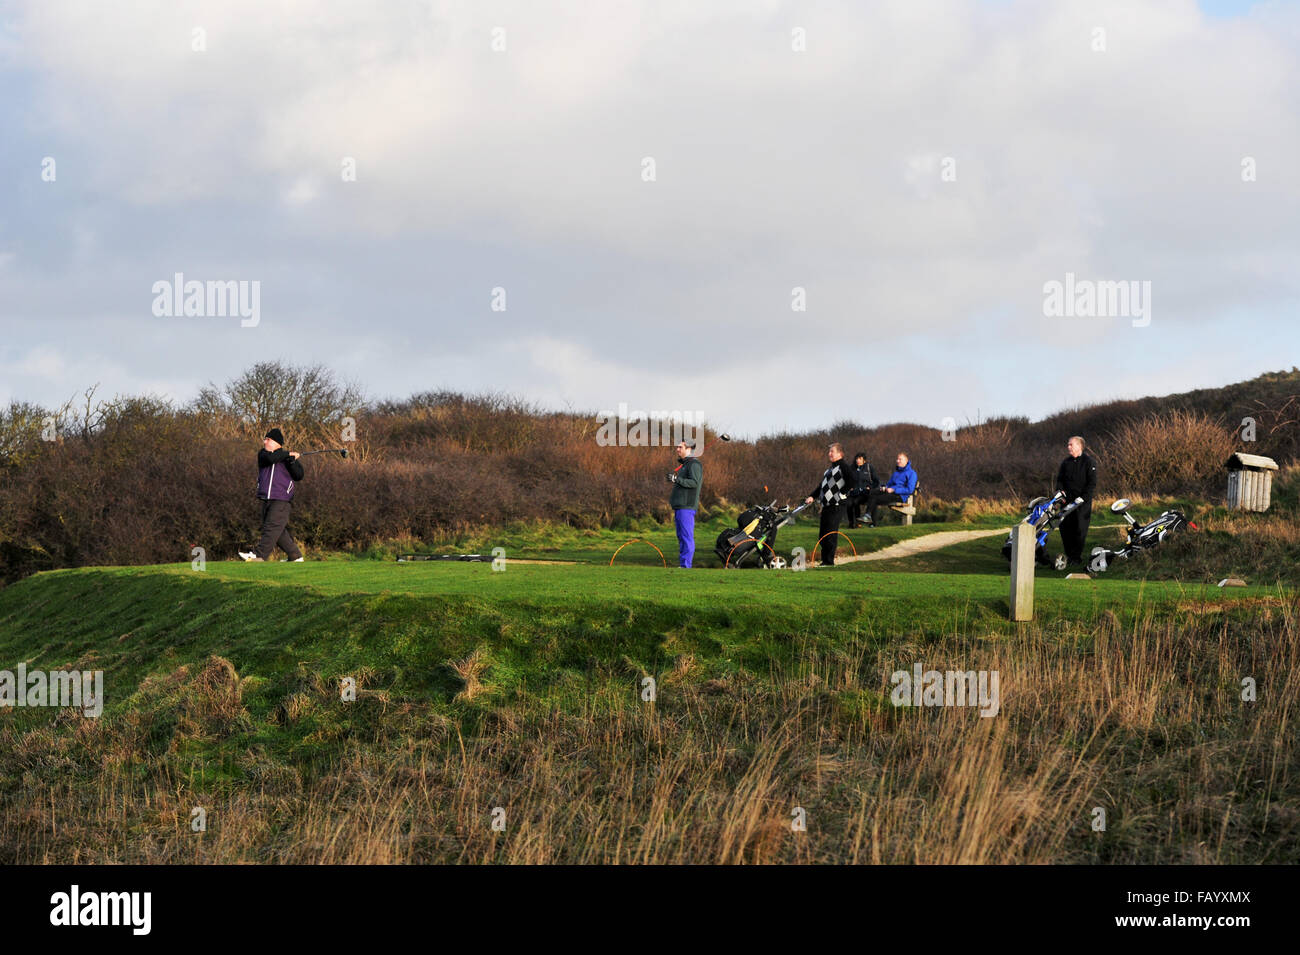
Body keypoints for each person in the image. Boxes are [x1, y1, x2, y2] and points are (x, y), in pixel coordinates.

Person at [239, 428, 305, 562]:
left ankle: (259, 555)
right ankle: (295, 556)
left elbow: (299, 475)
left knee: (272, 527)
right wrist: (288, 454)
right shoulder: (263, 455)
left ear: (276, 442)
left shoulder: (287, 459)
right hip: (266, 498)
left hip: (281, 499)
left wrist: (292, 460)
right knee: (277, 530)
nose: (264, 441)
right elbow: (272, 458)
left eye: (268, 439)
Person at [804, 443, 856, 566]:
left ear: (840, 453)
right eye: (829, 452)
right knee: (823, 534)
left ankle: (829, 561)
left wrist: (843, 492)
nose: (830, 454)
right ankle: (824, 561)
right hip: (827, 506)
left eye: (832, 451)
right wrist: (812, 496)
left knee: (830, 534)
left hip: (837, 505)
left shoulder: (843, 466)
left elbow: (852, 480)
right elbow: (821, 487)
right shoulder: (829, 470)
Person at [1055, 435, 1097, 567]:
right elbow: (1060, 480)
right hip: (1066, 502)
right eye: (1068, 445)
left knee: (1079, 529)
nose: (1068, 447)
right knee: (1065, 529)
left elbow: (1091, 484)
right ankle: (1069, 555)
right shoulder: (1065, 462)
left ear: (1079, 446)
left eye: (1071, 445)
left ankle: (1076, 557)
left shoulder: (1089, 462)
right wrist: (1060, 492)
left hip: (1082, 503)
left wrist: (1083, 498)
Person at [668, 439, 702, 568]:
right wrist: (676, 479)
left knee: (686, 536)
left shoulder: (694, 464)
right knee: (681, 536)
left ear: (688, 449)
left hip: (686, 506)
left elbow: (694, 483)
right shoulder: (686, 464)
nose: (677, 449)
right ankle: (683, 564)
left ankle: (686, 565)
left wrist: (676, 479)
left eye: (680, 447)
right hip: (680, 506)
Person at [862, 453, 918, 526]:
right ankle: (869, 519)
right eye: (897, 459)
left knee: (875, 499)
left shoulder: (912, 473)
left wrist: (894, 490)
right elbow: (889, 484)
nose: (897, 461)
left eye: (900, 459)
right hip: (890, 493)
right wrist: (884, 487)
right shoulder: (896, 473)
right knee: (872, 493)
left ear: (906, 461)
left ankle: (869, 519)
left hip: (900, 496)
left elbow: (910, 490)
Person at [847, 452, 879, 529]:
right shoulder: (851, 468)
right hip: (854, 493)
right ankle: (852, 523)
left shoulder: (869, 467)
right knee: (849, 503)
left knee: (866, 501)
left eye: (860, 459)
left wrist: (870, 487)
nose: (858, 460)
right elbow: (847, 480)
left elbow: (876, 482)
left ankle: (871, 523)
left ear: (864, 460)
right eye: (857, 458)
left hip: (865, 493)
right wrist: (849, 487)